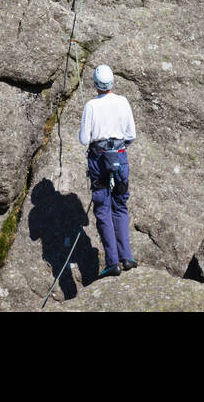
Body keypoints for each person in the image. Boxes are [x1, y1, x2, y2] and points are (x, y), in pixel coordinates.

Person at [79, 64, 138, 279]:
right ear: (112, 82)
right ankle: (127, 257)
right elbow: (131, 134)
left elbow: (85, 139)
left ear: (95, 85)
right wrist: (117, 150)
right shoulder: (123, 102)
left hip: (98, 160)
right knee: (120, 205)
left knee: (103, 209)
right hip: (120, 158)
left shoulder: (91, 106)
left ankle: (112, 262)